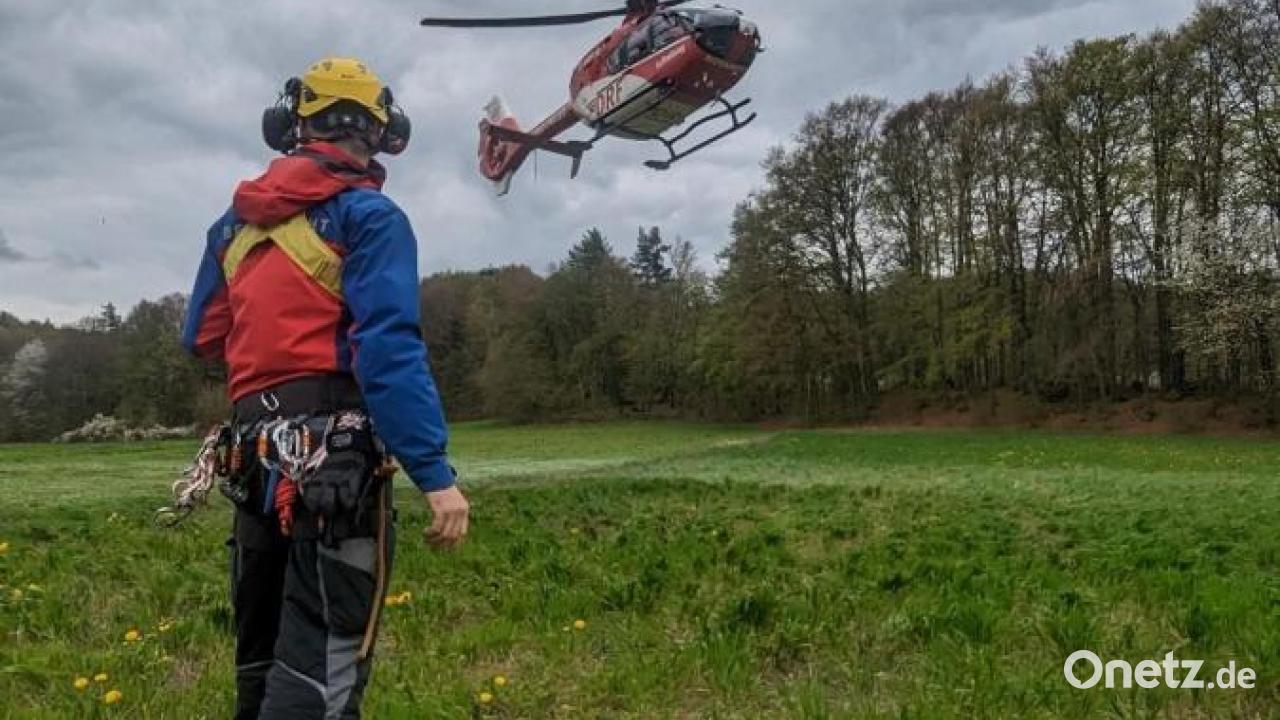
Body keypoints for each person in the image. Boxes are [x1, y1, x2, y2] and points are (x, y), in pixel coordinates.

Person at [181, 57, 470, 719]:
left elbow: (201, 335)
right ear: (381, 129)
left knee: (260, 656)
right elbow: (389, 349)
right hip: (333, 465)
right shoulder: (369, 217)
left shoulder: (232, 228)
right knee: (324, 664)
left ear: (294, 124)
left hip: (252, 457)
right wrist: (433, 472)